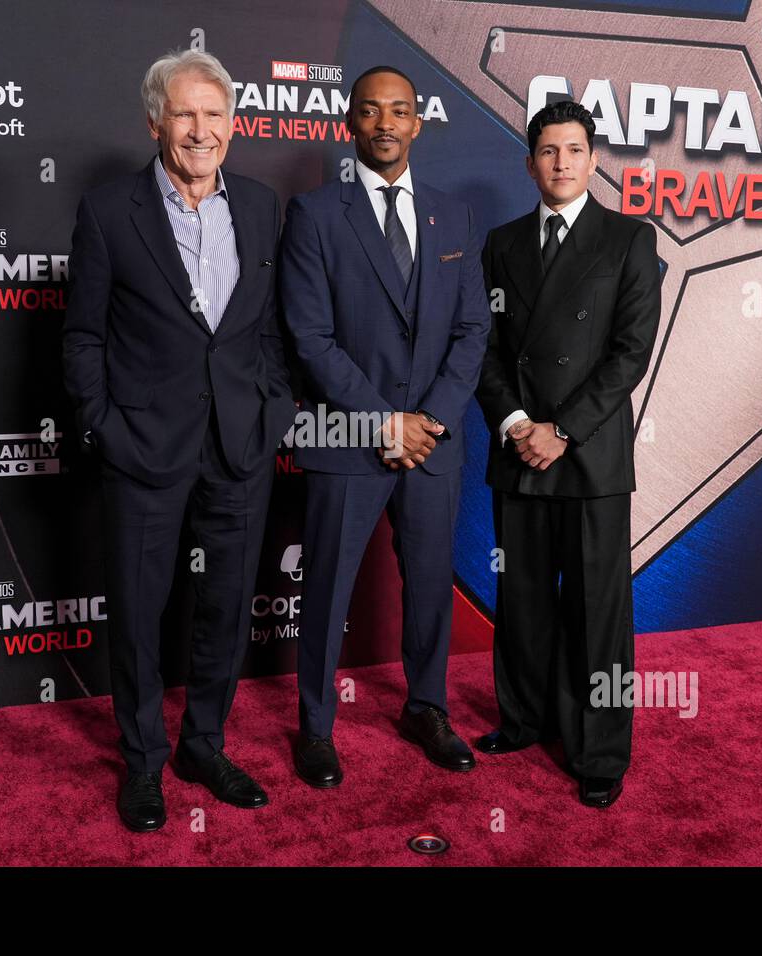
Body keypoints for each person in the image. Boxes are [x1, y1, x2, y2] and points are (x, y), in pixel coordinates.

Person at [62, 49, 296, 832]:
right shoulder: (108, 211)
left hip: (239, 446)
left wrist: (273, 410)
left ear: (234, 123)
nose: (201, 130)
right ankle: (142, 761)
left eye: (214, 114)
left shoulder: (259, 205)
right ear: (155, 122)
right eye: (185, 114)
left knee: (225, 609)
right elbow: (83, 336)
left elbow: (268, 327)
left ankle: (203, 745)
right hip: (143, 448)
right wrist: (104, 426)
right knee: (137, 614)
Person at [279, 65, 491, 788]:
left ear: (417, 123)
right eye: (370, 111)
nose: (385, 123)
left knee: (430, 584)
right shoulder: (314, 215)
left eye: (399, 111)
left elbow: (472, 330)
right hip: (346, 438)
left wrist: (426, 420)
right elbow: (310, 339)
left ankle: (426, 707)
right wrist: (381, 422)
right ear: (350, 123)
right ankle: (315, 727)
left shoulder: (454, 217)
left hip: (433, 440)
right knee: (327, 587)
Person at [474, 98, 660, 809]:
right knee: (521, 600)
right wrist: (519, 422)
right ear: (530, 164)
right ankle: (523, 720)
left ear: (593, 159)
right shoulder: (501, 244)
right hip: (520, 448)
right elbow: (484, 347)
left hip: (589, 455)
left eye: (574, 150)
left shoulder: (629, 238)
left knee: (596, 610)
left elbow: (629, 353)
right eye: (548, 151)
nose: (561, 163)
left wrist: (563, 429)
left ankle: (600, 752)